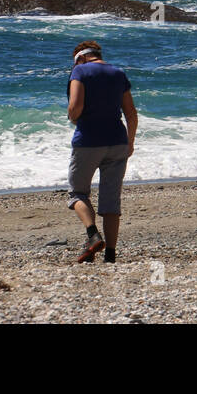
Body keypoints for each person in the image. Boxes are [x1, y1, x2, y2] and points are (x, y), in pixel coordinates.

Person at [67, 40, 137, 264]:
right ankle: (110, 255)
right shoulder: (119, 73)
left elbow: (75, 107)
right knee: (111, 201)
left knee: (77, 193)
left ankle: (92, 235)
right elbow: (131, 113)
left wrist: (72, 116)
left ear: (80, 57)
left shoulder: (80, 70)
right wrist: (130, 142)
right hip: (117, 141)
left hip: (88, 140)